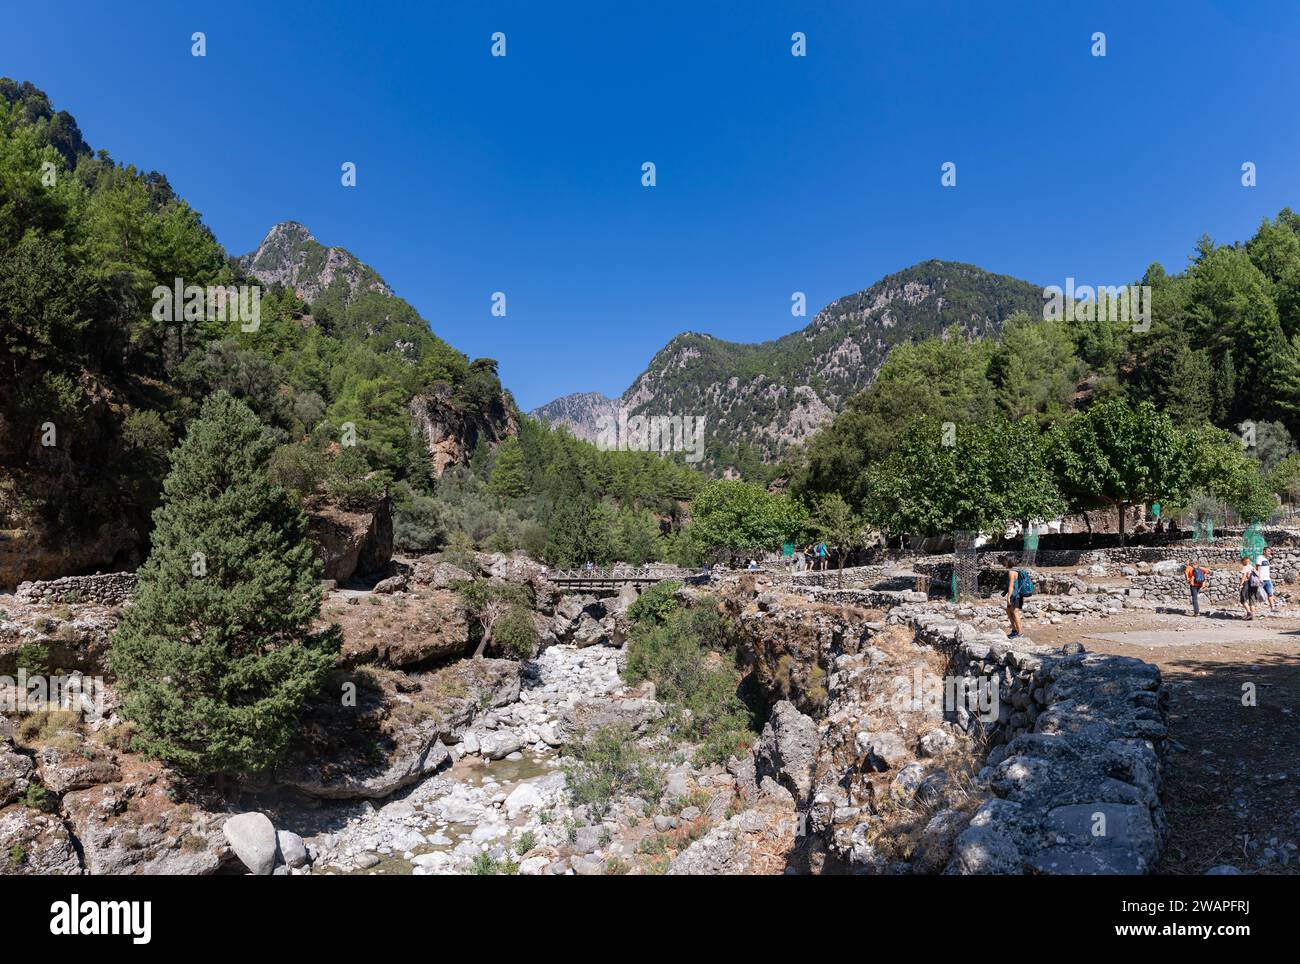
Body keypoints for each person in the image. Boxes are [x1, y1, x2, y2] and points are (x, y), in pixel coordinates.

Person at [1004, 562, 1034, 639]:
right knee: (1009, 610)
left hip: (1014, 595)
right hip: (1018, 595)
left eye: (1005, 560)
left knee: (1015, 613)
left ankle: (1020, 633)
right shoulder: (1017, 570)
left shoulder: (1011, 572)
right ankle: (1014, 631)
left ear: (1009, 561)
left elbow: (1011, 586)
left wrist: (1008, 597)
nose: (1004, 562)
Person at [1256, 547, 1278, 612]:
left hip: (1267, 579)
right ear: (1264, 551)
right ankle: (1252, 608)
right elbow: (1257, 568)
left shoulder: (1266, 559)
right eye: (1268, 551)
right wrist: (1259, 578)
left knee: (1270, 593)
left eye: (1270, 551)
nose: (1269, 552)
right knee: (1257, 594)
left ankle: (1273, 608)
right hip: (1261, 579)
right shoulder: (1260, 558)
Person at [1239, 555, 1259, 620]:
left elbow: (1244, 576)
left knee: (1243, 598)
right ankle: (1252, 615)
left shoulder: (1245, 567)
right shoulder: (1252, 567)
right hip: (1254, 584)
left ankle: (1249, 613)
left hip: (1247, 583)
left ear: (1244, 562)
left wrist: (1241, 584)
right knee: (1252, 599)